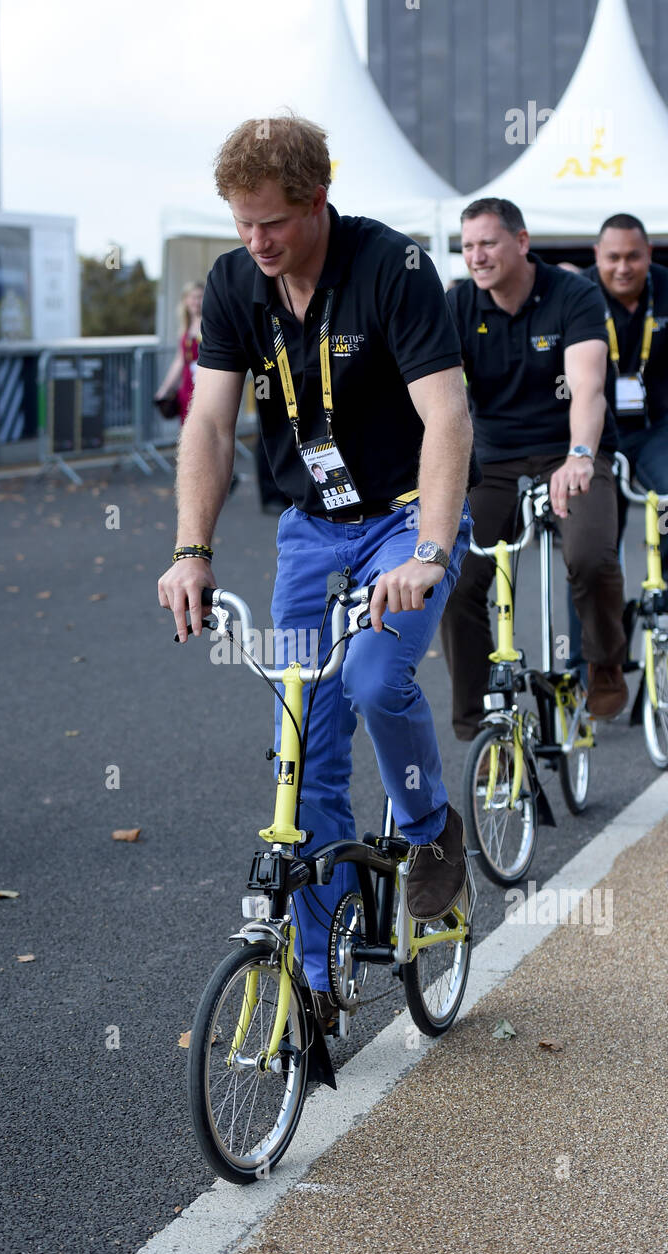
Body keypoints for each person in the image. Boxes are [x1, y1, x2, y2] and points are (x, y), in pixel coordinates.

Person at [157, 115, 474, 1022]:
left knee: (376, 677)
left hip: (406, 520)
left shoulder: (394, 270)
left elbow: (448, 421)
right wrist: (192, 551)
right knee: (306, 743)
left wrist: (427, 553)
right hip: (313, 528)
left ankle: (429, 832)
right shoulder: (234, 285)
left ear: (318, 202)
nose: (255, 242)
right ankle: (320, 968)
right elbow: (211, 425)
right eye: (241, 224)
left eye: (272, 223)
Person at [441, 197, 627, 739]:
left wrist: (580, 456)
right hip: (495, 459)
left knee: (590, 555)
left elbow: (587, 387)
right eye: (468, 246)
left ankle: (605, 661)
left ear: (521, 242)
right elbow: (440, 398)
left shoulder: (574, 294)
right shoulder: (459, 305)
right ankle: (481, 729)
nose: (476, 256)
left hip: (570, 449)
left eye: (487, 243)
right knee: (455, 576)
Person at [585, 213, 668, 578]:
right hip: (598, 433)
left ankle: (660, 604)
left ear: (649, 253)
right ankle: (602, 632)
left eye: (633, 256)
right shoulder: (577, 294)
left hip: (657, 429)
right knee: (591, 543)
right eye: (613, 257)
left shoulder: (666, 286)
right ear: (597, 254)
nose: (623, 267)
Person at [155, 281, 204, 424]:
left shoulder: (211, 323)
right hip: (186, 386)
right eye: (193, 297)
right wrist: (164, 389)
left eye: (200, 297)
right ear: (186, 300)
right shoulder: (186, 326)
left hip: (205, 384)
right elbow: (180, 360)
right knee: (186, 429)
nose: (196, 301)